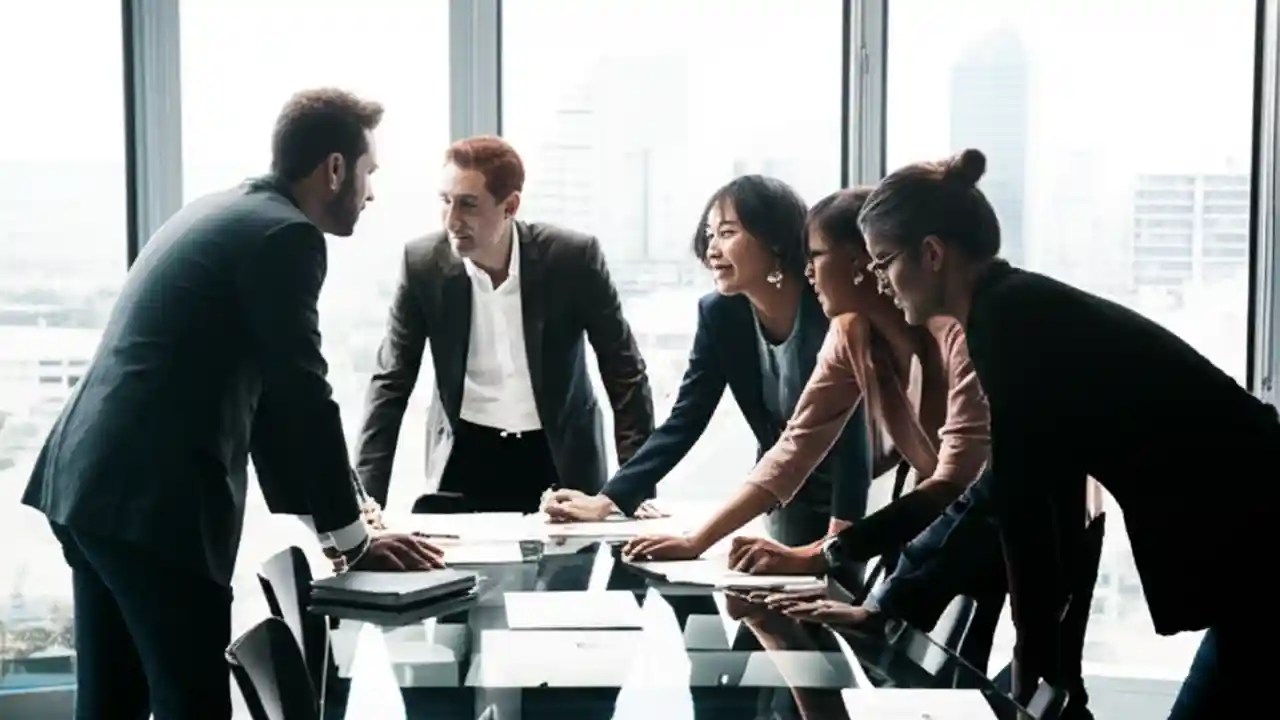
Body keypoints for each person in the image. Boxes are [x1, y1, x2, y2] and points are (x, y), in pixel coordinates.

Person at [21, 88, 445, 720]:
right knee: (192, 705)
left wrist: (342, 528)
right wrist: (353, 543)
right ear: (334, 169)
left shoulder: (225, 213)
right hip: (152, 506)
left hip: (91, 488)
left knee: (112, 704)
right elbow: (305, 394)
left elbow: (273, 406)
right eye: (368, 173)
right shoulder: (287, 238)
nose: (371, 193)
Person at [854, 147, 1276, 718]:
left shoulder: (1008, 322)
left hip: (1261, 545)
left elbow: (1024, 504)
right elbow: (1009, 488)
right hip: (1253, 545)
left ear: (931, 253)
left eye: (882, 262)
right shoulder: (1014, 307)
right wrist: (898, 599)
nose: (879, 282)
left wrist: (1033, 659)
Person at [623, 188, 990, 575]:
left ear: (860, 261)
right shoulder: (849, 334)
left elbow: (954, 481)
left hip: (1018, 522)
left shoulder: (958, 337)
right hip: (957, 525)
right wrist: (696, 542)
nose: (807, 270)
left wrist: (822, 554)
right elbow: (795, 447)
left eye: (815, 255)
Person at [542, 175, 871, 547]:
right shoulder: (720, 314)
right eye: (710, 234)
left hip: (861, 494)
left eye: (728, 233)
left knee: (847, 596)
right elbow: (687, 417)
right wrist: (609, 498)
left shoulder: (830, 308)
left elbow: (852, 438)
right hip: (784, 491)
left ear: (775, 239)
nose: (712, 248)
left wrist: (839, 542)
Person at [354, 135, 654, 514]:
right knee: (462, 573)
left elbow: (623, 370)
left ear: (510, 205)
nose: (451, 220)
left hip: (559, 457)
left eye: (468, 205)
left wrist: (635, 487)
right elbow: (390, 382)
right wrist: (364, 501)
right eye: (445, 201)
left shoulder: (572, 259)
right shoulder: (422, 265)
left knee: (567, 574)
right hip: (465, 458)